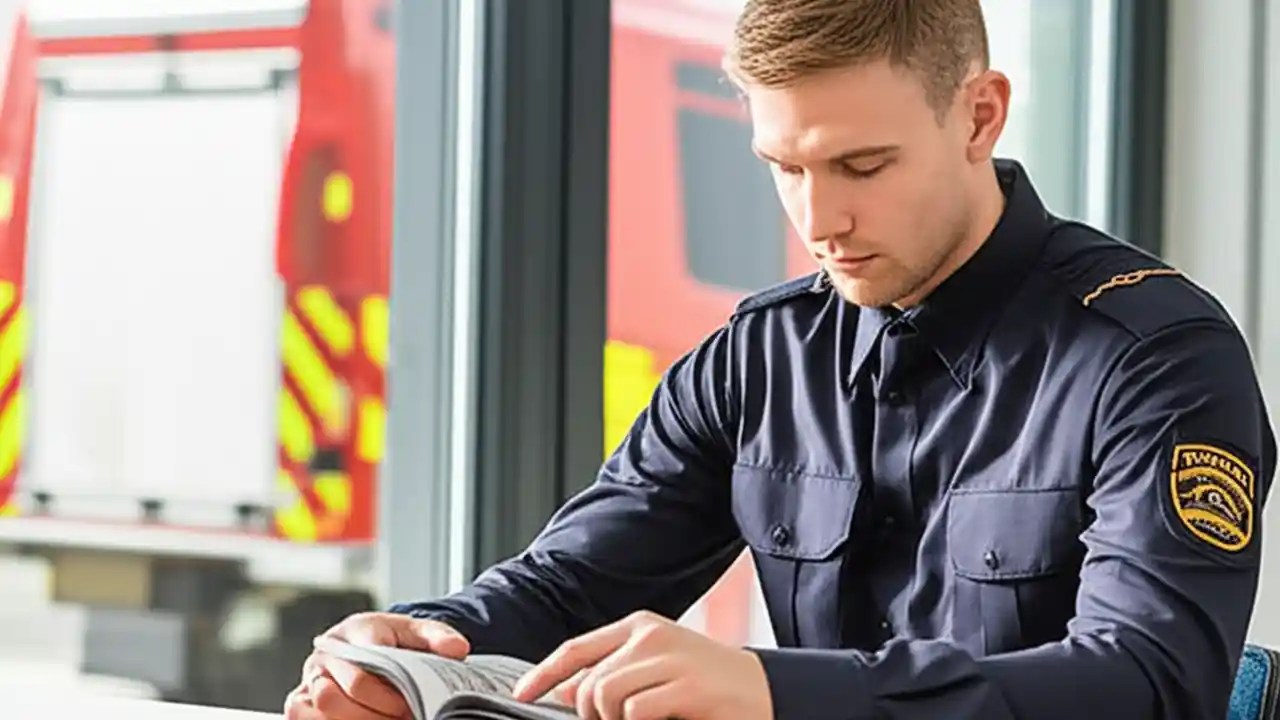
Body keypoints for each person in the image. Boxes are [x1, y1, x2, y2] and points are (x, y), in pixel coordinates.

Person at [285, 0, 1275, 718]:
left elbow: (1151, 682)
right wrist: (420, 646)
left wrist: (768, 686)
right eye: (783, 168)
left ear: (978, 115)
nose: (818, 221)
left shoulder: (1153, 358)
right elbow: (569, 587)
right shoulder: (762, 354)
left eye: (861, 165)